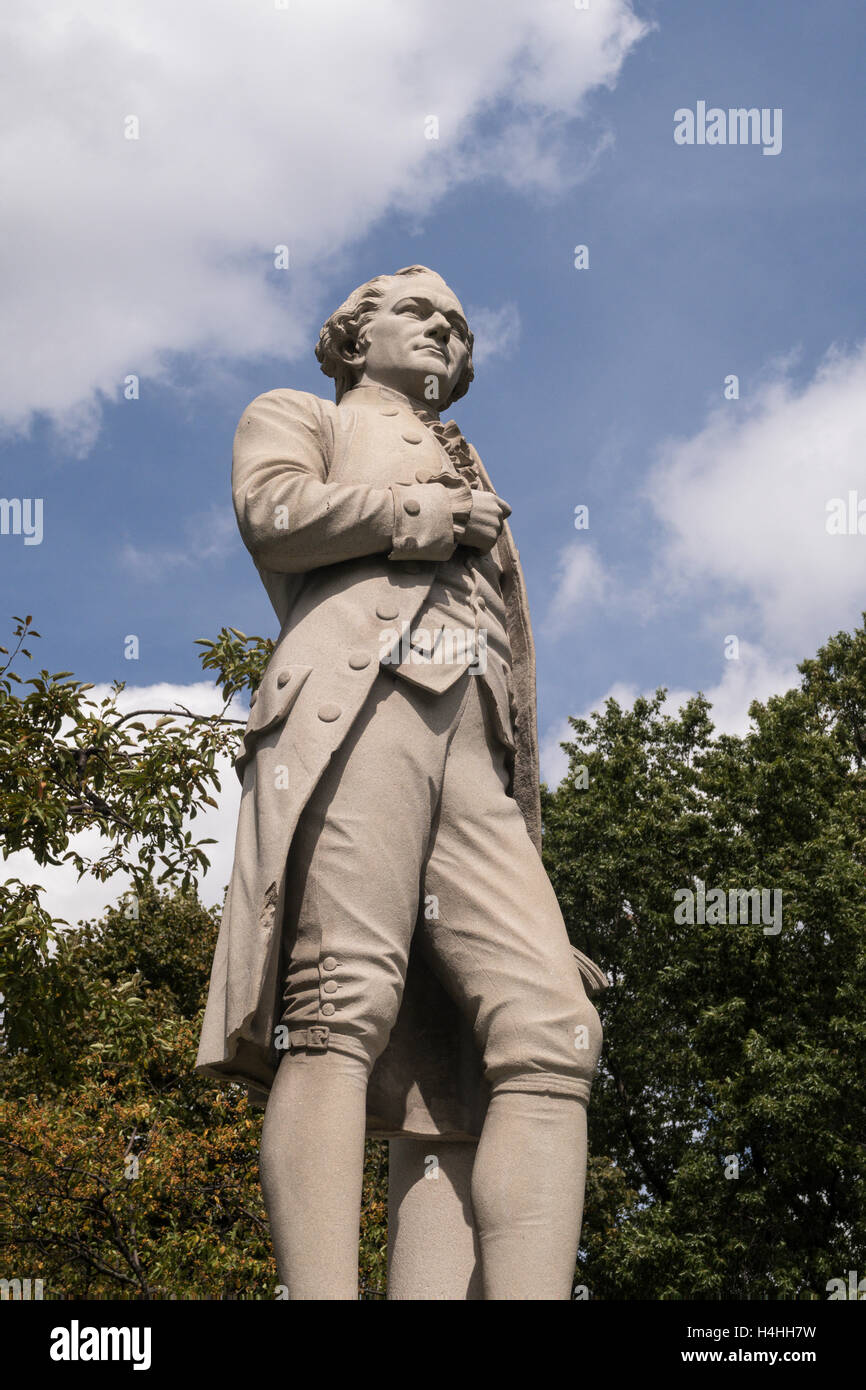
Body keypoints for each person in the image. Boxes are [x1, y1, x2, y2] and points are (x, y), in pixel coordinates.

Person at [196, 264, 604, 1299]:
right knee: (340, 1004)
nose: (443, 335)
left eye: (459, 329)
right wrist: (420, 513)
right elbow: (273, 509)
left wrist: (536, 885)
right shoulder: (301, 413)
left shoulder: (479, 462)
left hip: (477, 769)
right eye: (417, 314)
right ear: (352, 332)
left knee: (549, 1024)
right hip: (358, 708)